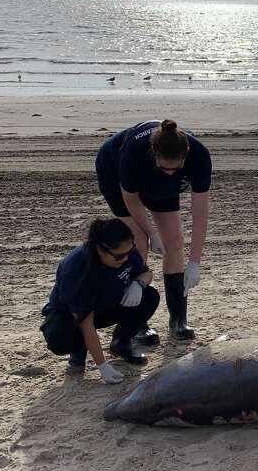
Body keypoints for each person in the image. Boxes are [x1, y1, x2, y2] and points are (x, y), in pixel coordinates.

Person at [95, 119, 211, 342]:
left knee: (175, 242)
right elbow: (131, 200)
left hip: (155, 181)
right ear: (154, 153)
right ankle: (137, 322)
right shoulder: (133, 154)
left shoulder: (199, 156)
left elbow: (200, 213)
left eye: (175, 168)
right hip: (113, 171)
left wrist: (195, 262)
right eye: (164, 167)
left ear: (185, 155)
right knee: (138, 241)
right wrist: (152, 233)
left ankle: (178, 320)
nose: (170, 172)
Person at [41, 219, 160, 383]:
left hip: (106, 304)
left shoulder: (125, 250)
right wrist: (102, 366)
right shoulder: (76, 268)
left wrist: (138, 284)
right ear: (100, 249)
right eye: (119, 256)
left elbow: (146, 273)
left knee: (149, 297)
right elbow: (86, 323)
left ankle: (121, 341)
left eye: (129, 251)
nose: (125, 258)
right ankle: (78, 350)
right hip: (72, 316)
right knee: (59, 337)